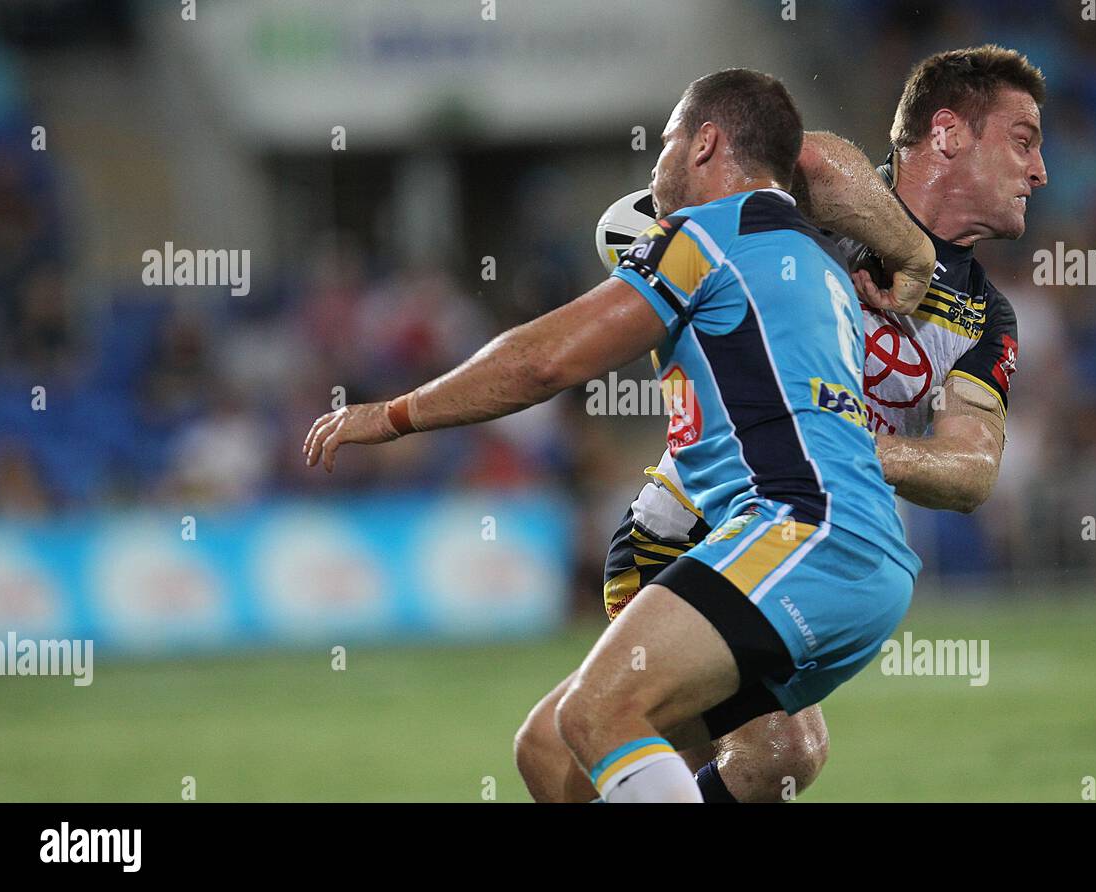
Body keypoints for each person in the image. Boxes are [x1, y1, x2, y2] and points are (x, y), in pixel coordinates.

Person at [303, 67, 932, 802]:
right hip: (858, 556)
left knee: (599, 712)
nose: (655, 162)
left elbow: (542, 362)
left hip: (801, 535)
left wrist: (393, 413)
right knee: (555, 749)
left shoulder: (701, 236)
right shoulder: (814, 264)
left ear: (705, 144)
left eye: (666, 141)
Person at [515, 44, 1048, 803]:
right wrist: (911, 254)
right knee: (596, 740)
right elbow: (818, 160)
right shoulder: (816, 203)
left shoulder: (988, 319)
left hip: (803, 534)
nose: (1040, 171)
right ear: (948, 133)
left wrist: (843, 445)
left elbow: (973, 470)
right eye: (1023, 141)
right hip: (690, 528)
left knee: (780, 756)